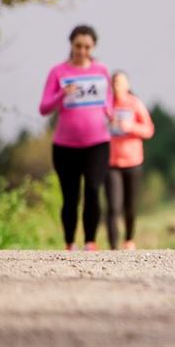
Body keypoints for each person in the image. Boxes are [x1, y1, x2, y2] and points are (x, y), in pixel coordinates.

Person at [38, 25, 112, 251]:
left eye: (87, 46)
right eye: (78, 46)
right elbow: (44, 108)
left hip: (98, 143)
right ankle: (69, 243)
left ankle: (90, 242)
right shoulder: (58, 72)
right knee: (70, 196)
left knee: (92, 190)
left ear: (93, 47)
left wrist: (112, 115)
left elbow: (108, 102)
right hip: (65, 146)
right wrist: (62, 94)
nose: (82, 50)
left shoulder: (101, 71)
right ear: (71, 45)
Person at [105, 70, 154, 251]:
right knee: (113, 206)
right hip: (111, 163)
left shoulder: (135, 104)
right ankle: (112, 246)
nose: (117, 86)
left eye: (121, 82)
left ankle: (128, 240)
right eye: (114, 82)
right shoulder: (106, 105)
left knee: (130, 206)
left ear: (127, 85)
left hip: (133, 161)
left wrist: (130, 127)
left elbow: (149, 130)